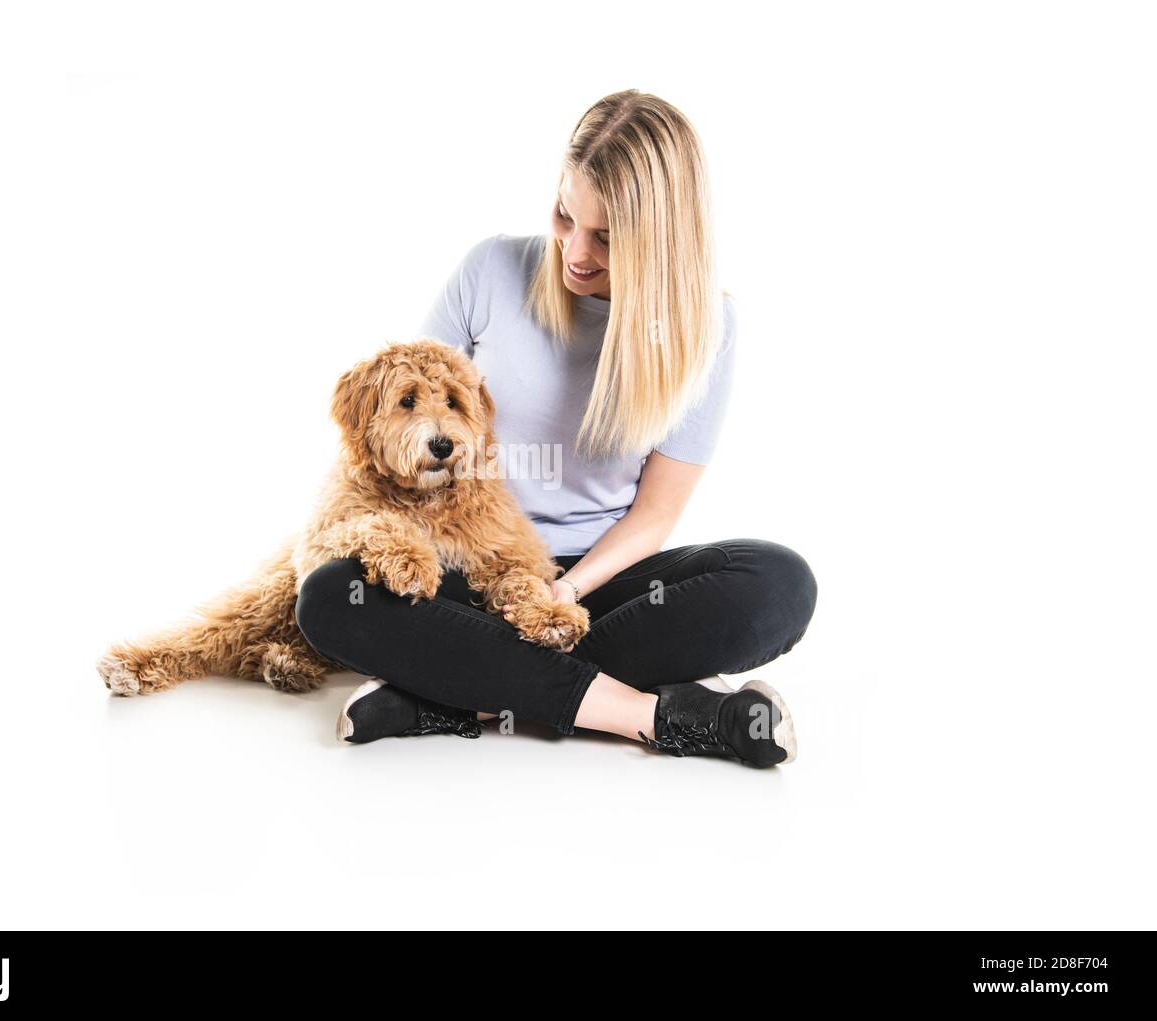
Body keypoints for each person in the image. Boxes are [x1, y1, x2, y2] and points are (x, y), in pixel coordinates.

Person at [295, 89, 816, 767]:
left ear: (662, 241)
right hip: (465, 573)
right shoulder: (491, 270)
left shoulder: (705, 333)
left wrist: (561, 591)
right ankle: (656, 716)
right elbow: (406, 423)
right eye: (565, 216)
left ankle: (454, 695)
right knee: (332, 596)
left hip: (594, 591)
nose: (573, 251)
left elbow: (655, 514)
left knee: (779, 582)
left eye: (606, 237)